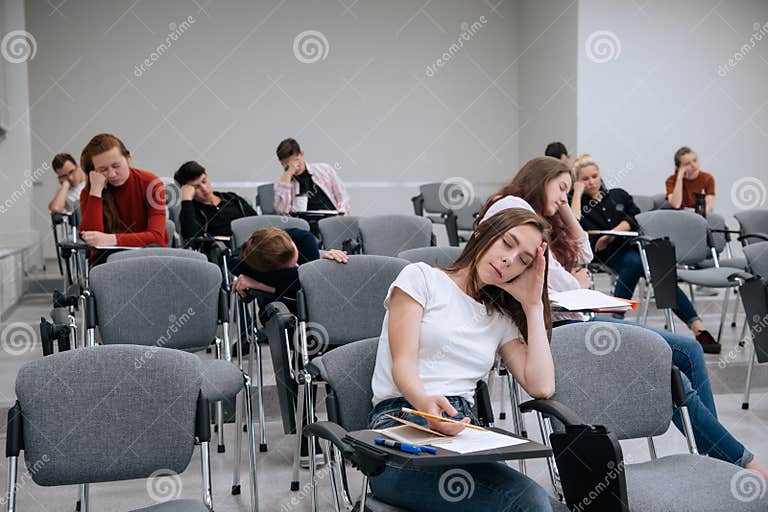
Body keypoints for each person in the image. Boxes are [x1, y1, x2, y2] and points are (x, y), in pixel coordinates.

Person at [477, 156, 768, 478]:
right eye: (560, 188)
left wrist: (562, 209)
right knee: (671, 371)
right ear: (538, 179)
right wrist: (576, 277)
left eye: (567, 191)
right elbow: (565, 280)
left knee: (688, 352)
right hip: (553, 326)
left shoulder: (536, 217)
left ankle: (718, 454)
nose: (563, 197)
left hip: (569, 315)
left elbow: (583, 256)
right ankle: (734, 462)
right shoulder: (513, 206)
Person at [370, 208, 556, 511]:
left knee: (533, 502)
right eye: (507, 243)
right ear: (481, 233)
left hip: (462, 432)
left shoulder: (499, 318)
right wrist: (425, 404)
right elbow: (401, 363)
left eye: (523, 260)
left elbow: (542, 386)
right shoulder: (421, 278)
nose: (510, 260)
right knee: (528, 504)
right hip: (401, 428)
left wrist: (533, 305)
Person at [570, 154, 720, 353]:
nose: (591, 182)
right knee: (643, 265)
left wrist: (613, 233)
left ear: (600, 176)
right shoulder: (575, 202)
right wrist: (577, 193)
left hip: (632, 246)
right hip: (605, 254)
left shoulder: (618, 194)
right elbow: (573, 223)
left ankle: (616, 320)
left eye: (594, 176)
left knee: (659, 270)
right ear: (577, 182)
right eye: (585, 179)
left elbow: (634, 218)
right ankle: (698, 328)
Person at [79, 134, 168, 263]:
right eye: (103, 169)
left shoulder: (151, 183)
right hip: (108, 261)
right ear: (94, 172)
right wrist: (96, 192)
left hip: (147, 256)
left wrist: (111, 239)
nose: (112, 174)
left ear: (128, 159)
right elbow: (92, 242)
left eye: (116, 166)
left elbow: (157, 237)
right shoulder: (91, 192)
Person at [230, 226, 348, 303]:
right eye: (290, 267)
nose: (296, 265)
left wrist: (260, 285)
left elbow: (310, 285)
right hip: (286, 309)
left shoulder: (303, 239)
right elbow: (302, 286)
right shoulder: (248, 261)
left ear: (291, 242)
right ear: (273, 271)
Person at [173, 160, 257, 241]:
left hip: (249, 247)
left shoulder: (233, 198)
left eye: (204, 181)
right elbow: (192, 239)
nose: (204, 189)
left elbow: (257, 223)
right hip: (218, 252)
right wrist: (186, 201)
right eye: (196, 187)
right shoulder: (192, 212)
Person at [274, 138, 350, 214]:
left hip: (330, 219)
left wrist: (340, 215)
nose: (294, 166)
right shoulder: (282, 184)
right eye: (287, 165)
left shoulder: (324, 170)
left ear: (301, 154)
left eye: (296, 160)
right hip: (304, 223)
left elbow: (343, 197)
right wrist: (288, 174)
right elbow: (282, 212)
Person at [665, 146, 715, 212]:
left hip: (697, 214)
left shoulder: (708, 178)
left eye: (695, 160)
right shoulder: (671, 180)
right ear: (679, 167)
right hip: (677, 214)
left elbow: (709, 206)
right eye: (687, 164)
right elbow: (676, 205)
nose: (694, 165)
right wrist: (679, 178)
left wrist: (697, 214)